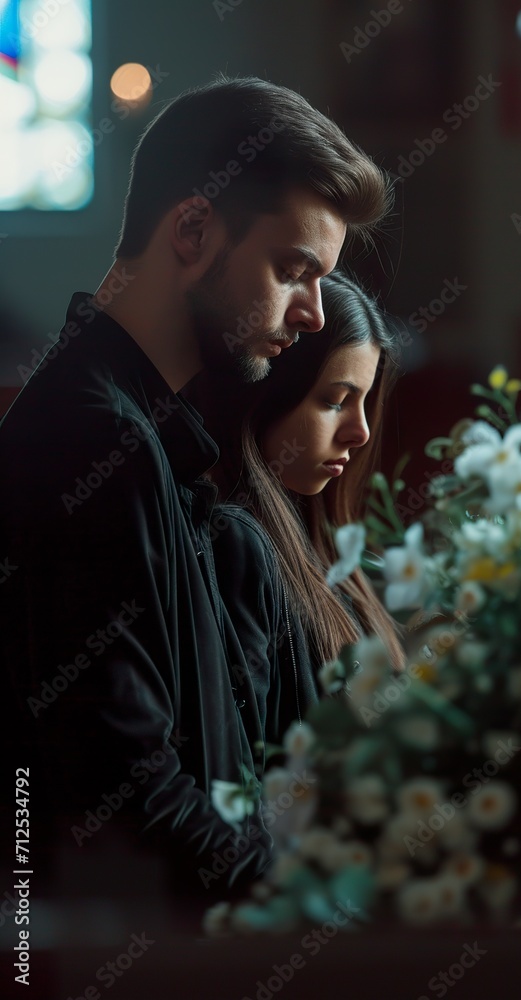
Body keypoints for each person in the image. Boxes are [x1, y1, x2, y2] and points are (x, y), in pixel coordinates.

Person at [0, 75, 391, 914]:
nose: (316, 316)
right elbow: (129, 803)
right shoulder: (93, 437)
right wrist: (340, 901)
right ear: (192, 230)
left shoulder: (142, 433)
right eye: (294, 270)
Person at [191, 271, 404, 765]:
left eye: (365, 403)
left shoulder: (323, 550)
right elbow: (249, 775)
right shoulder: (235, 545)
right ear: (265, 395)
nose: (361, 432)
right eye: (334, 401)